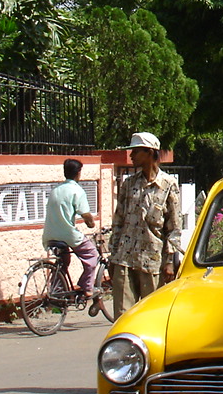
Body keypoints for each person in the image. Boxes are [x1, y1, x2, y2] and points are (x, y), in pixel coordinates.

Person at [109, 132, 182, 316]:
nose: (131, 156)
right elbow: (118, 220)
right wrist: (113, 254)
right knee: (123, 317)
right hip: (125, 259)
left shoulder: (168, 185)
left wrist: (169, 262)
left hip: (152, 261)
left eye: (136, 151)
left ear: (149, 153)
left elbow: (173, 227)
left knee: (151, 316)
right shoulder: (129, 184)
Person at [42, 158, 99, 296]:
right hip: (67, 235)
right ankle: (87, 287)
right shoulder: (76, 191)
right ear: (78, 173)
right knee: (92, 255)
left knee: (63, 261)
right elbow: (86, 215)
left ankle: (57, 291)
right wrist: (91, 224)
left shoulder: (55, 190)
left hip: (50, 235)